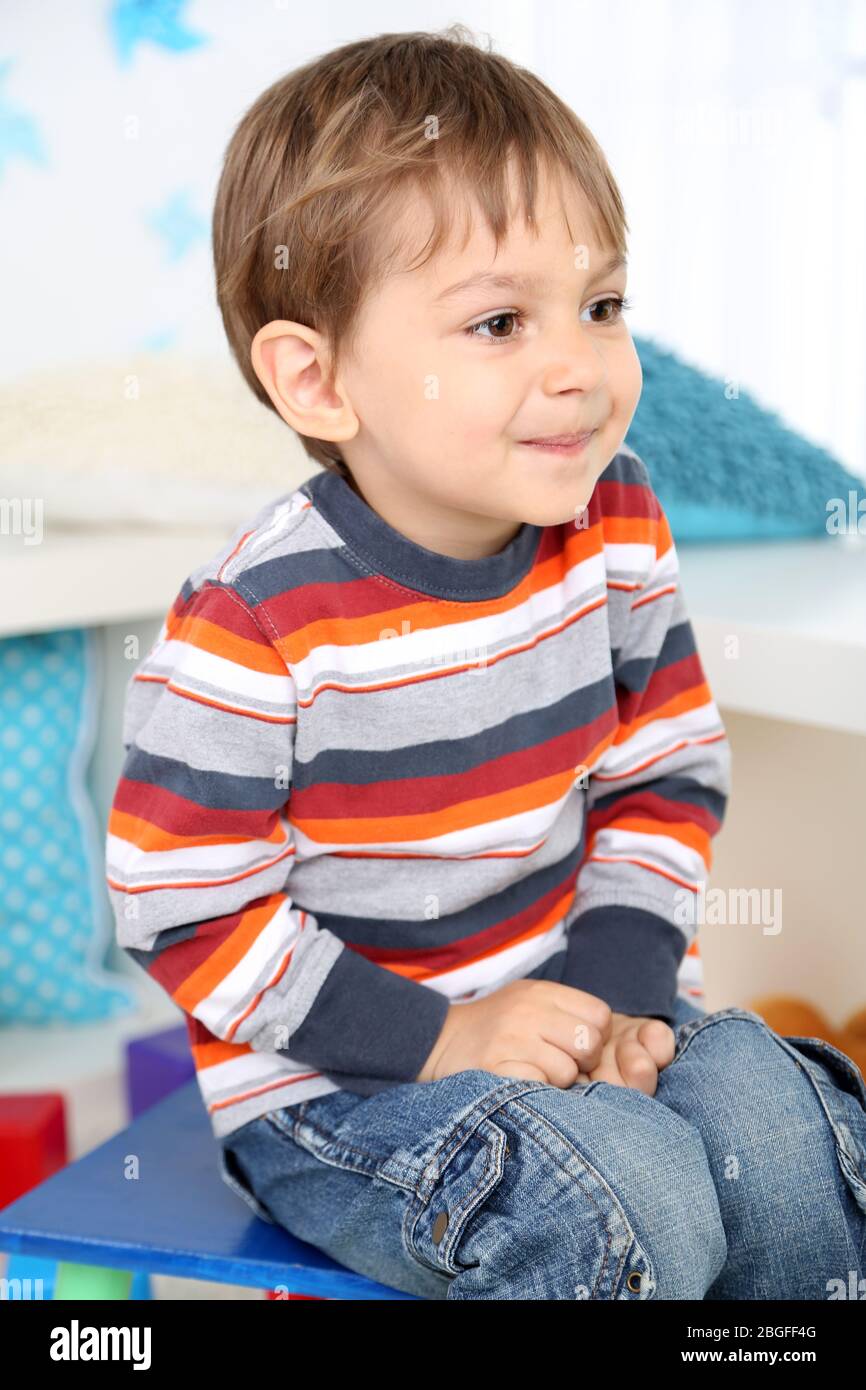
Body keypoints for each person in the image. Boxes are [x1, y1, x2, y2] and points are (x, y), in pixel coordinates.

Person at [105, 25, 866, 1300]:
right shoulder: (256, 619)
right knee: (629, 1198)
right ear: (318, 378)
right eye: (500, 321)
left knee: (781, 1134)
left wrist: (622, 999)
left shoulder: (610, 518)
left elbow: (661, 776)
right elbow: (183, 904)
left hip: (579, 1007)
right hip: (341, 1083)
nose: (578, 364)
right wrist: (448, 1033)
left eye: (601, 305)